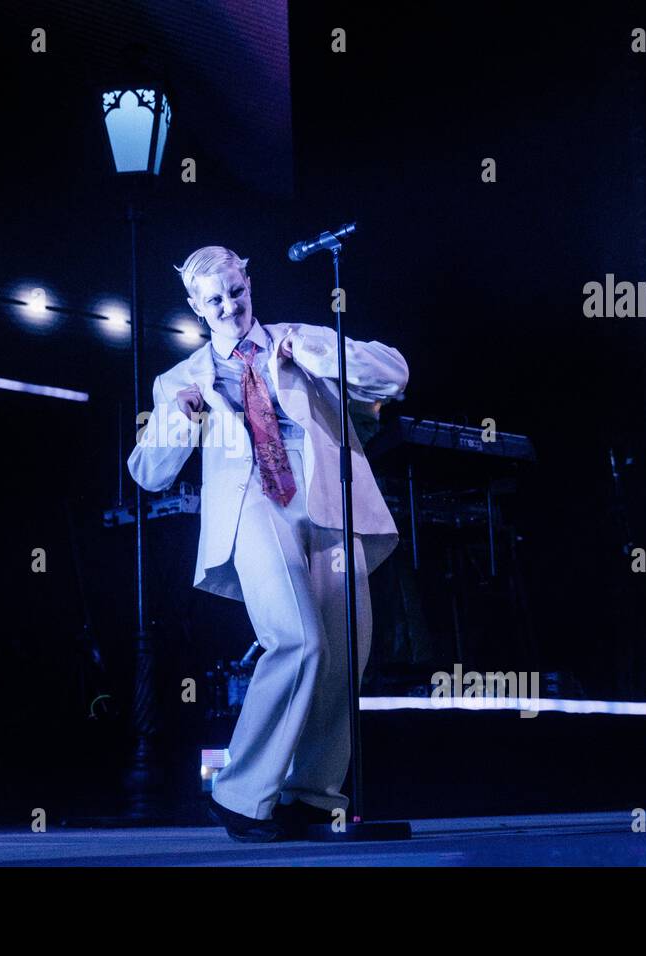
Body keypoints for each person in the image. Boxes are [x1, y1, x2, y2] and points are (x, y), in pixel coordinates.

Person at [127, 245, 408, 841]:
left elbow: (393, 375)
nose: (229, 305)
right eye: (214, 299)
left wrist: (315, 350)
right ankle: (240, 792)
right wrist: (179, 419)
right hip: (254, 504)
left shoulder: (299, 339)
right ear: (195, 307)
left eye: (236, 291)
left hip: (328, 501)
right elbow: (146, 473)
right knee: (298, 639)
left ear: (248, 283)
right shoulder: (180, 378)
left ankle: (310, 794)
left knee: (345, 650)